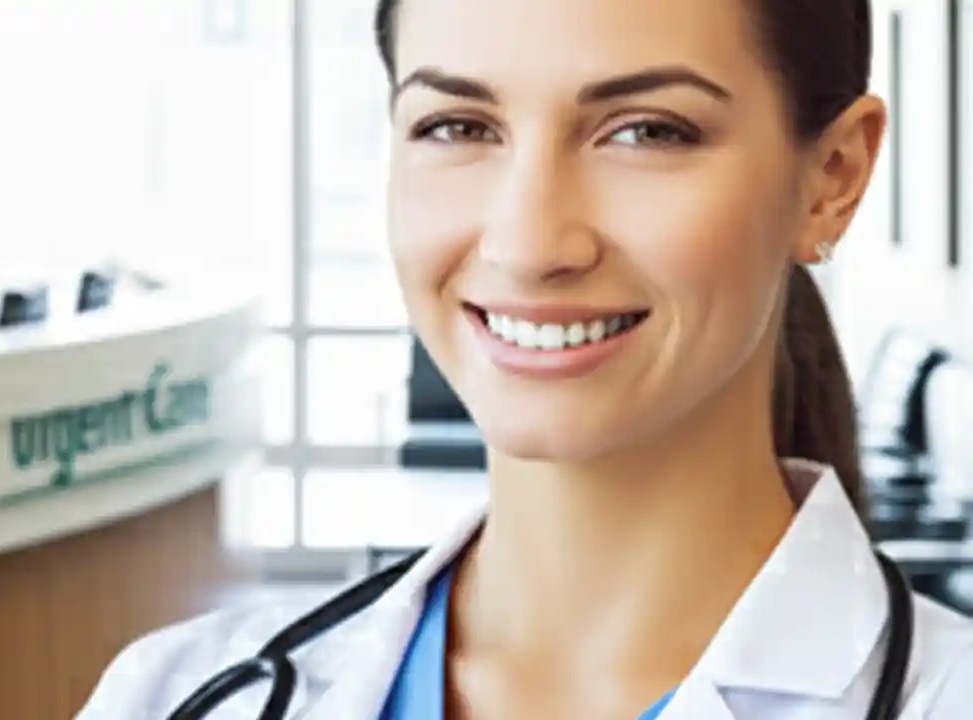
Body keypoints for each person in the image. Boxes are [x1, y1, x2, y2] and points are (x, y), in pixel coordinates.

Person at [77, 0, 973, 716]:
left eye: (646, 131)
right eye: (458, 126)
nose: (529, 242)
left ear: (834, 177)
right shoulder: (170, 697)